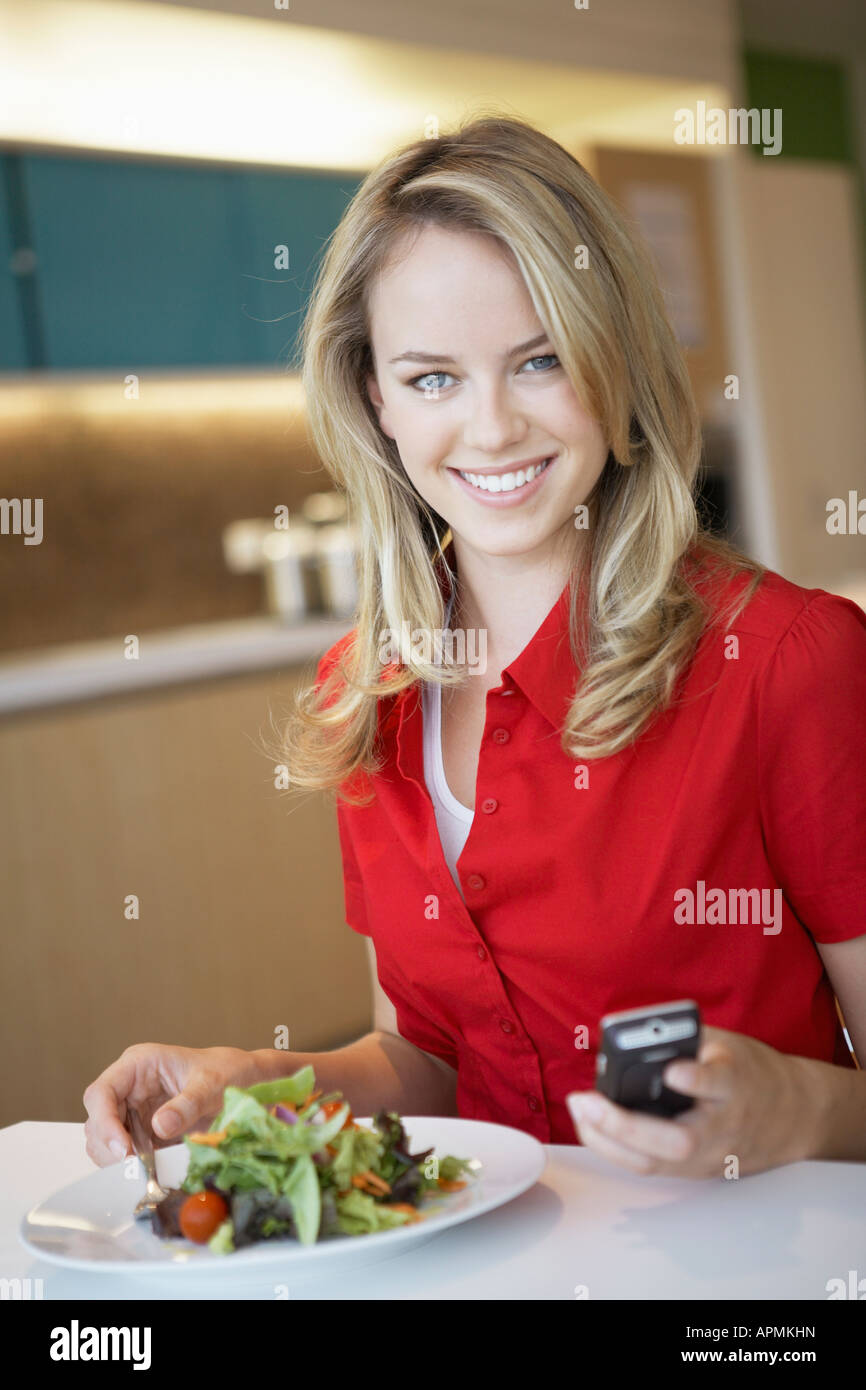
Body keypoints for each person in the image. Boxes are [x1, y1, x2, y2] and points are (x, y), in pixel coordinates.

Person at [84, 115, 866, 1180]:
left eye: (538, 360)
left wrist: (794, 1108)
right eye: (432, 377)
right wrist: (257, 1077)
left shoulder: (789, 663)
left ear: (616, 361)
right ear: (375, 399)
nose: (490, 428)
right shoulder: (366, 693)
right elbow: (431, 1061)